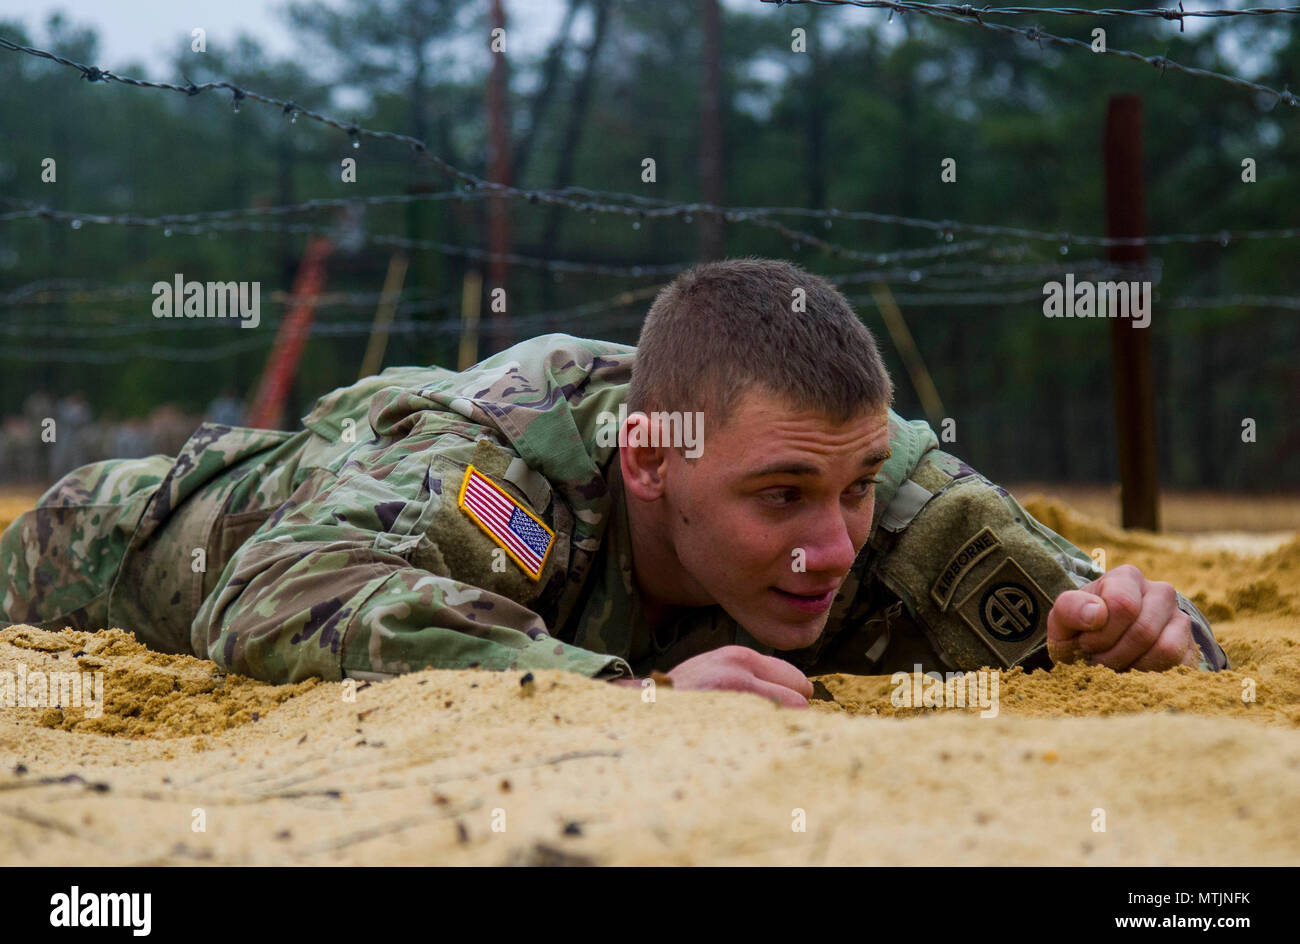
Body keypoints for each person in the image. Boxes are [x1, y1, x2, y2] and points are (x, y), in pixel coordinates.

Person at [0, 259, 1227, 708]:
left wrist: (1144, 633)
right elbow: (276, 591)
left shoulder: (867, 472)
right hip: (136, 534)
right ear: (649, 460)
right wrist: (617, 689)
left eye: (852, 489)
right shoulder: (493, 471)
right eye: (782, 497)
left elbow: (1117, 622)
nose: (834, 544)